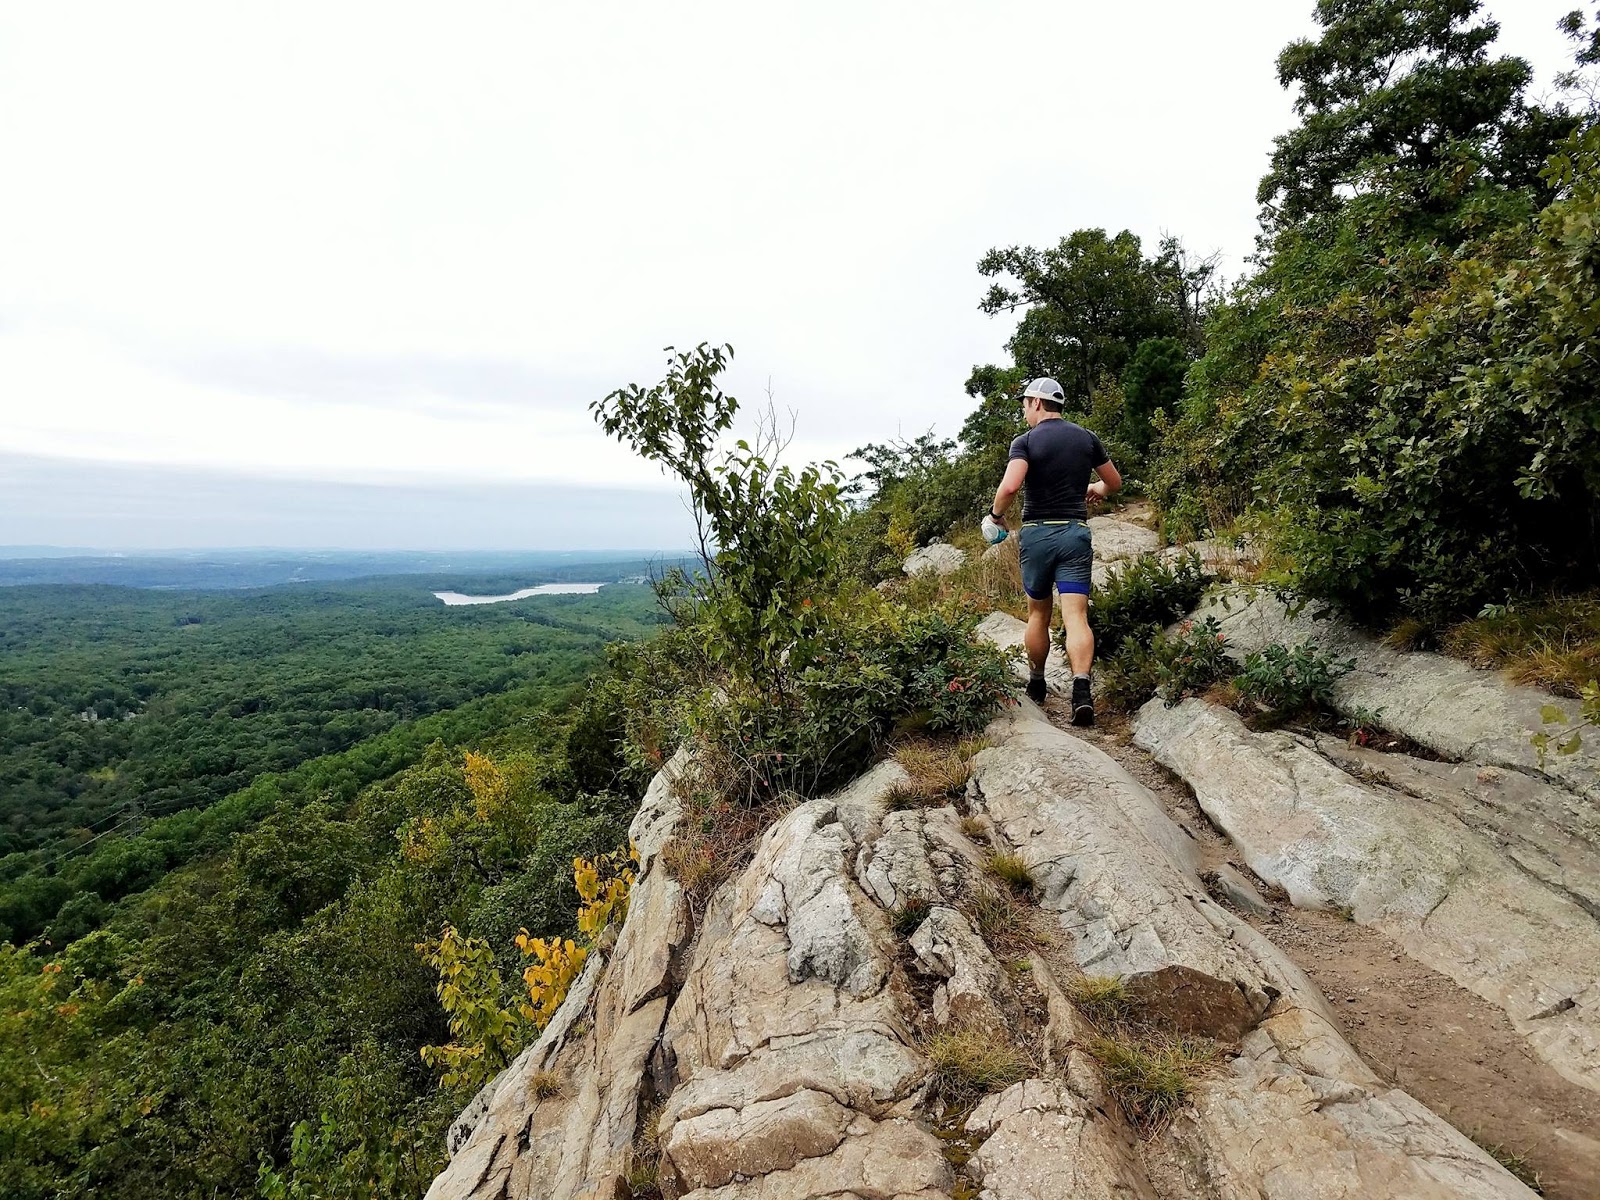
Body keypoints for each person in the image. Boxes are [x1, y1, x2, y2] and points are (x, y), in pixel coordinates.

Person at [981, 377, 1121, 724]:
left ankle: (1037, 684)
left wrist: (996, 516)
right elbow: (1114, 482)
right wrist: (1097, 489)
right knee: (1076, 617)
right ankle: (1081, 691)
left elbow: (1012, 484)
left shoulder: (1025, 441)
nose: (1024, 411)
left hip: (1037, 536)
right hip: (1074, 534)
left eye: (1025, 404)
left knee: (1038, 614)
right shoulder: (1086, 438)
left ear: (1038, 403)